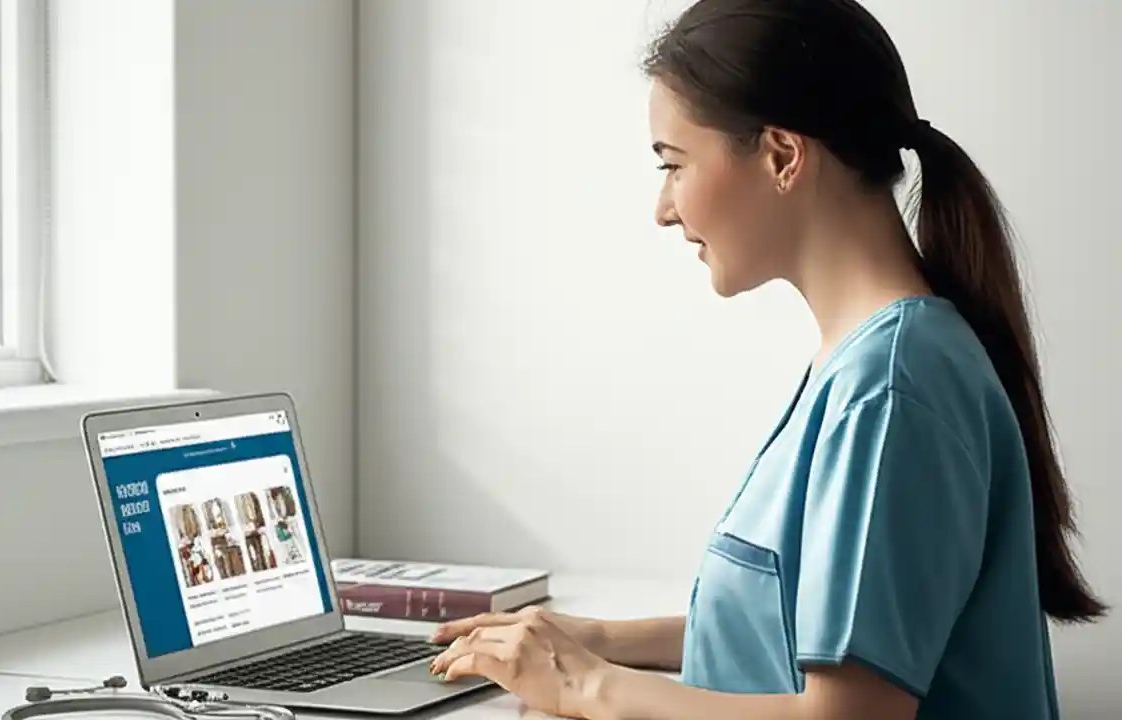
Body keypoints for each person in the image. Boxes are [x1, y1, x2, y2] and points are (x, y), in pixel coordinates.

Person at [427, 1, 1106, 718]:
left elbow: (850, 715)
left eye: (674, 164)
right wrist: (596, 639)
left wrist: (583, 686)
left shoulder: (892, 388)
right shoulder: (872, 362)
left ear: (782, 156)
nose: (663, 208)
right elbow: (791, 638)